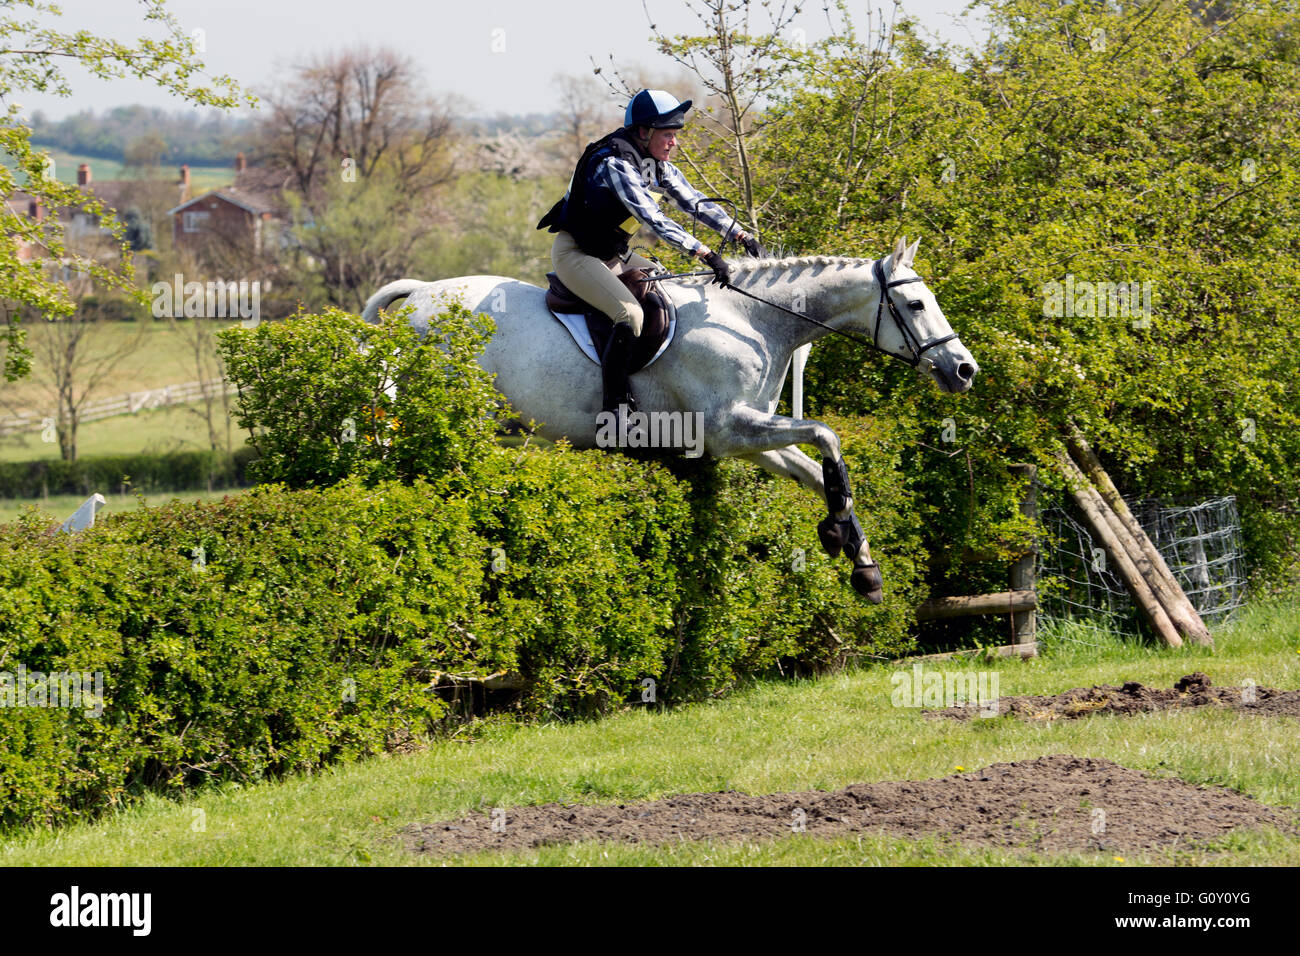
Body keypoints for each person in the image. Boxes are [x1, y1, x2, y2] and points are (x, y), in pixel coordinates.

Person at [538, 89, 764, 414]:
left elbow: (695, 202)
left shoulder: (658, 166)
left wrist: (741, 235)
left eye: (676, 135)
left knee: (669, 287)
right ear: (644, 132)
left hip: (612, 252)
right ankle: (614, 408)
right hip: (576, 254)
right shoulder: (615, 163)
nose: (675, 142)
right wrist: (707, 254)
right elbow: (653, 218)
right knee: (629, 314)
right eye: (668, 135)